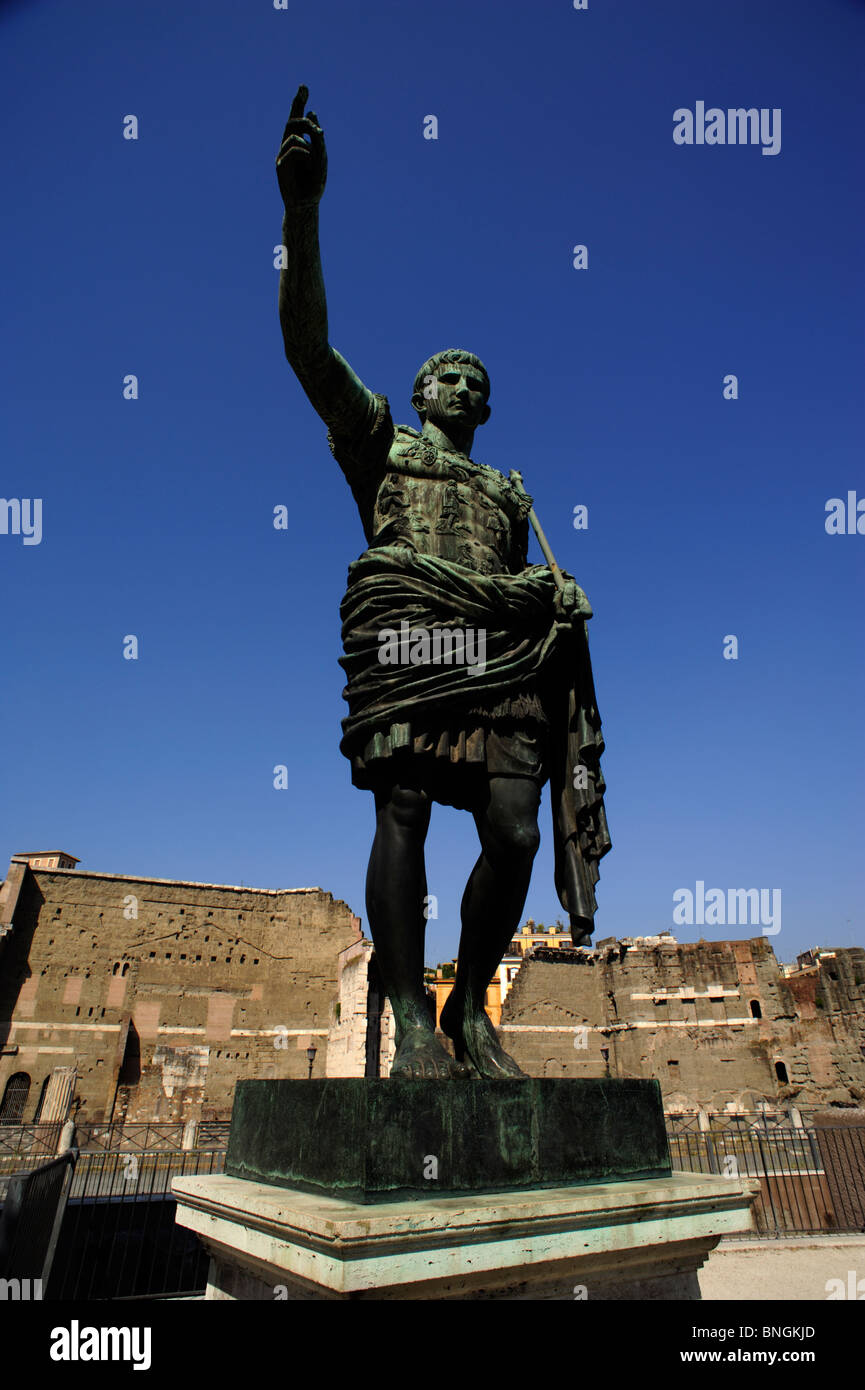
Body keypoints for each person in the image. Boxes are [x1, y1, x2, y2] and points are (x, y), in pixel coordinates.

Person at [277, 87, 609, 1079]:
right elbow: (304, 344)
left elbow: (519, 583)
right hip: (410, 641)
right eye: (443, 374)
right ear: (419, 395)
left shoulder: (510, 493)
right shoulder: (378, 444)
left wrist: (555, 598)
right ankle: (410, 1016)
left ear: (486, 405)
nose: (458, 385)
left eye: (474, 379)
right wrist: (303, 209)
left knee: (510, 829)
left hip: (499, 654)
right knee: (405, 812)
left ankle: (471, 1002)